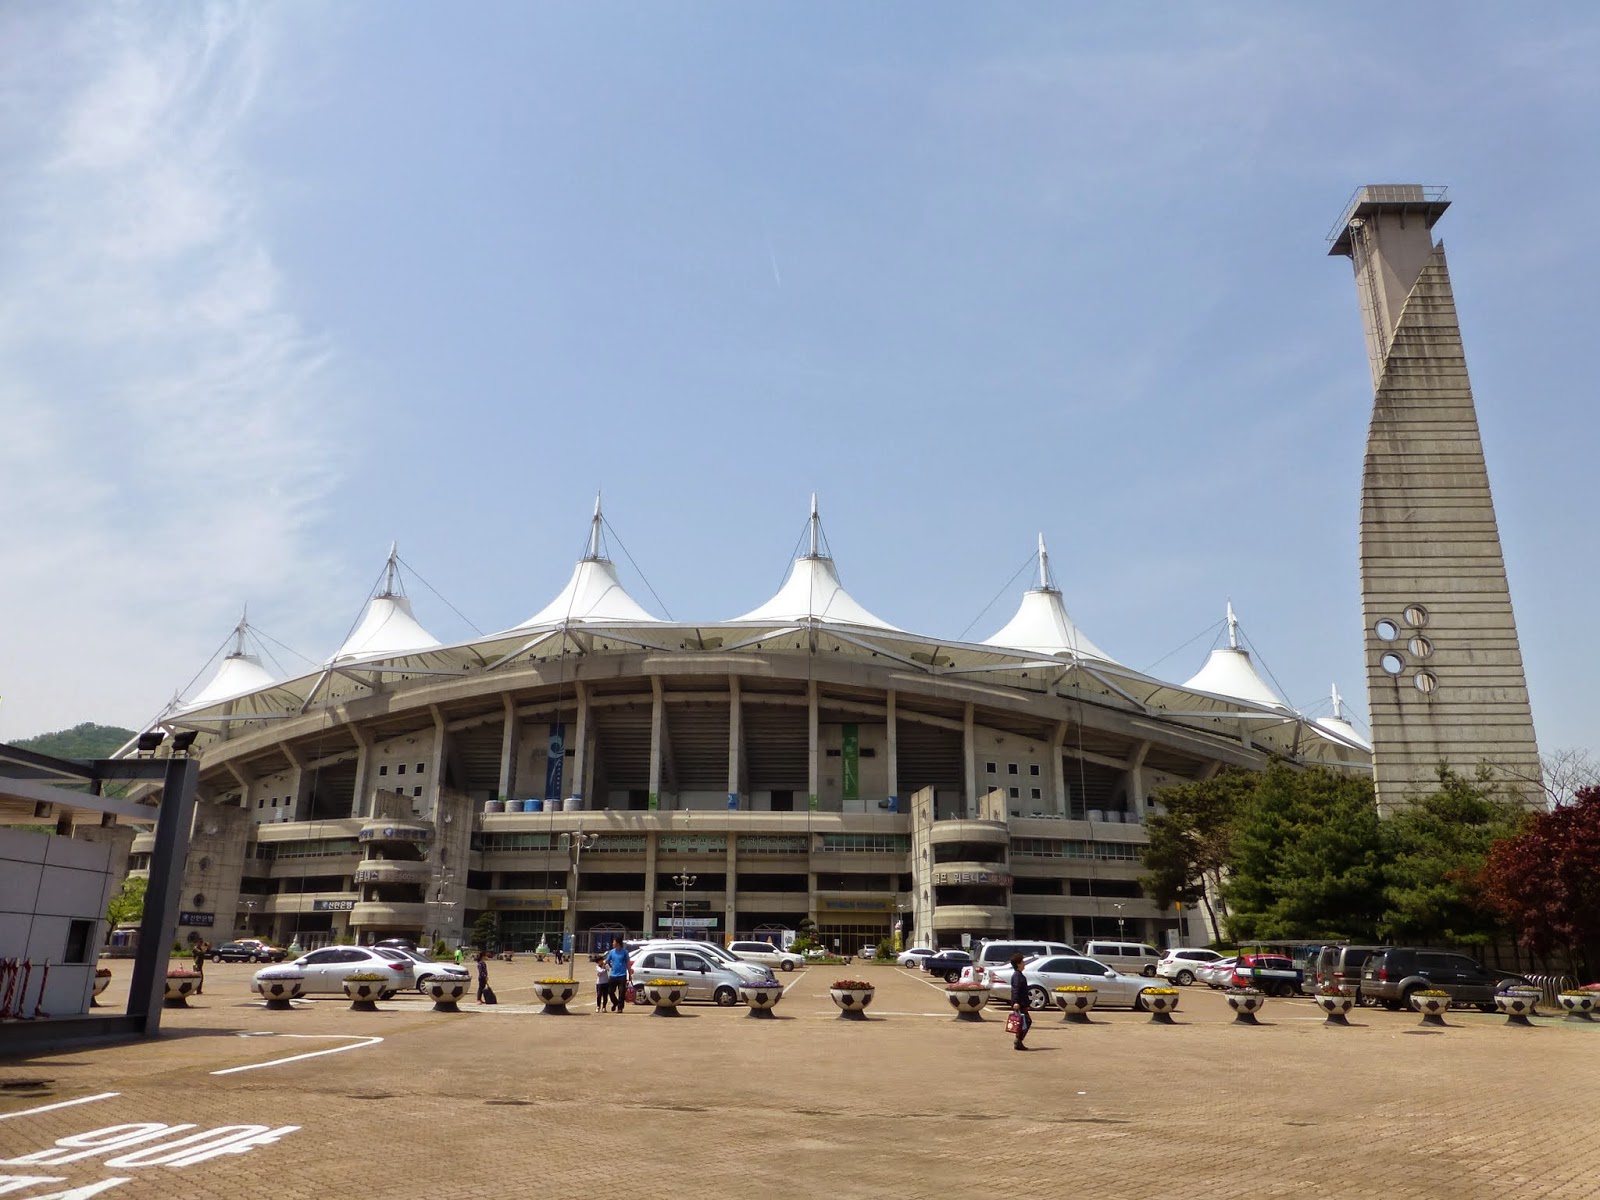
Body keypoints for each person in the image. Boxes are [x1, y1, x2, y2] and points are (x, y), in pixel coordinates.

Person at [1009, 952, 1032, 1051]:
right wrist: (1015, 1002)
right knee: (1025, 1021)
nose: (1024, 964)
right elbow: (1016, 989)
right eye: (1022, 962)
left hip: (1022, 1003)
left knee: (1022, 1022)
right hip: (1019, 1004)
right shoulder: (1017, 976)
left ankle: (1018, 1040)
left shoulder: (1019, 975)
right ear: (1018, 964)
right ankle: (1018, 1040)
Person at [604, 937, 629, 1013]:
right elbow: (607, 961)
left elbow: (628, 964)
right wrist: (604, 966)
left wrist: (630, 974)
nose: (612, 943)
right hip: (613, 975)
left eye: (614, 942)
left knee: (621, 992)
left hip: (622, 975)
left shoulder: (625, 952)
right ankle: (615, 1002)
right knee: (610, 991)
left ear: (618, 943)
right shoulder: (612, 952)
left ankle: (620, 1007)